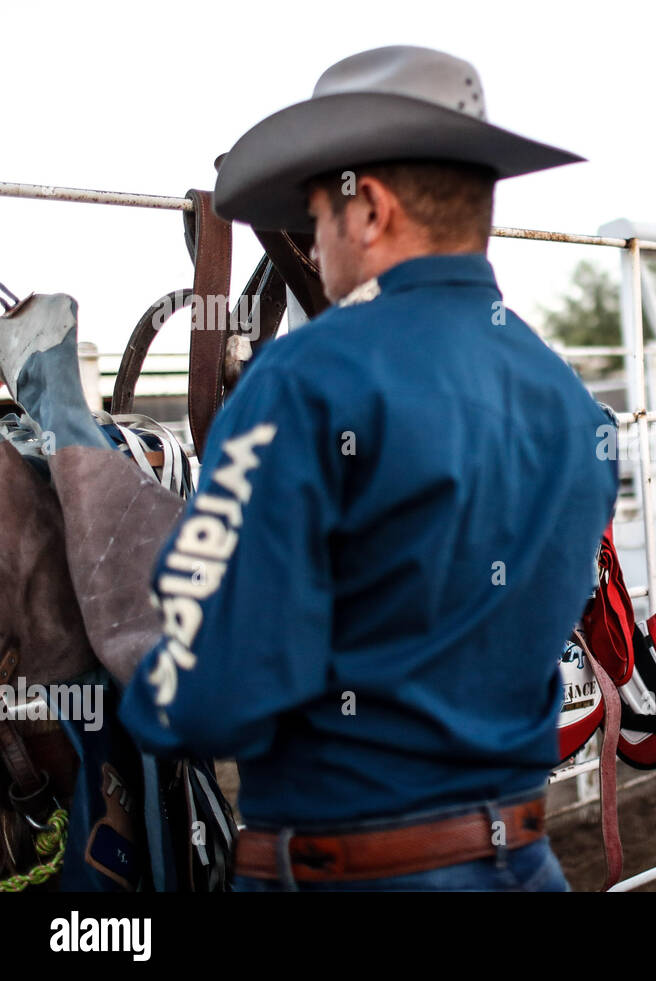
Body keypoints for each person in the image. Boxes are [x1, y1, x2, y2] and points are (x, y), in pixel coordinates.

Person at [111, 46, 620, 890]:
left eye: (316, 217)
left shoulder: (303, 380)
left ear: (370, 208)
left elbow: (202, 694)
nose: (313, 245)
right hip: (521, 859)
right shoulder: (569, 404)